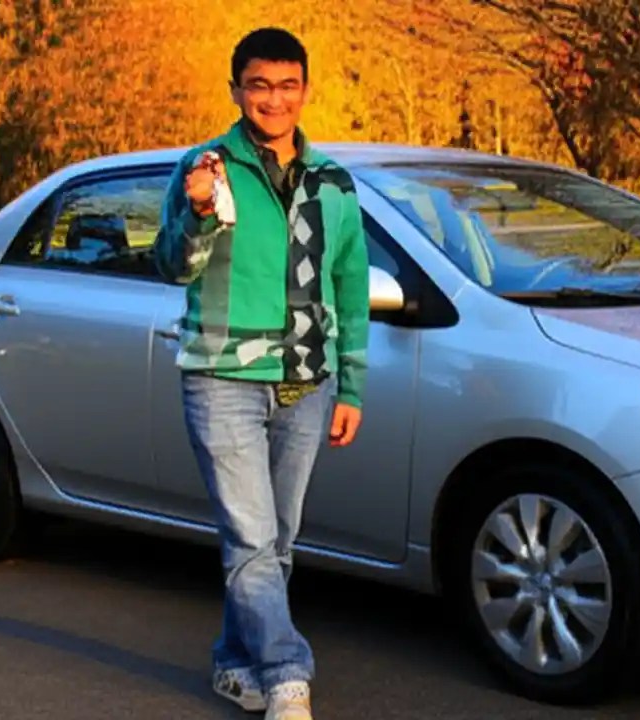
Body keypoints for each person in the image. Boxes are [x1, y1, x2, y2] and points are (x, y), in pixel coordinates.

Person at [153, 26, 370, 720]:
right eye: (258, 86)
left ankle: (233, 659)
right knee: (251, 538)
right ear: (236, 90)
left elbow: (351, 285)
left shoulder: (334, 182)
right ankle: (286, 675)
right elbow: (172, 266)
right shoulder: (205, 168)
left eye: (286, 86)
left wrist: (352, 385)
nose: (273, 100)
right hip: (222, 377)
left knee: (275, 541)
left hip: (308, 382)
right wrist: (199, 214)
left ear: (305, 90)